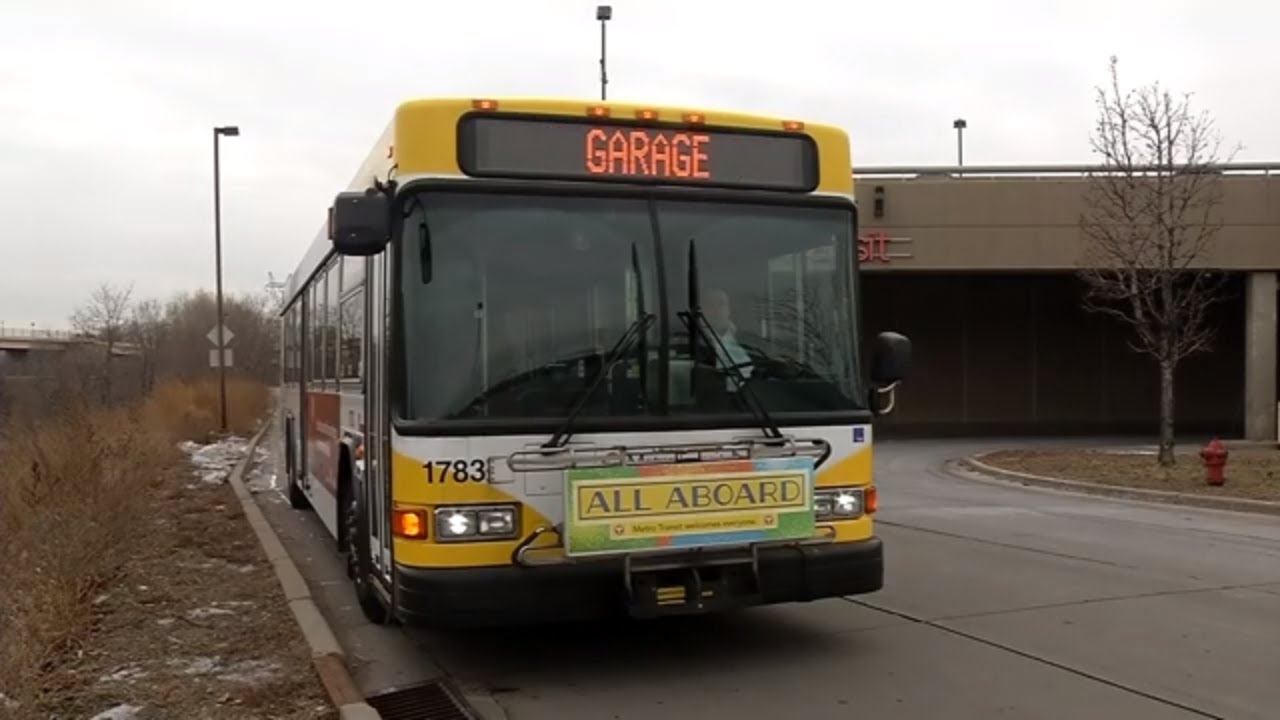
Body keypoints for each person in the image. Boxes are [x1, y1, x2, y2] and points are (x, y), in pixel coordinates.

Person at [702, 289, 753, 390]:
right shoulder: (695, 340)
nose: (717, 309)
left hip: (753, 398)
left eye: (721, 304)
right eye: (711, 305)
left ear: (729, 309)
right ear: (702, 309)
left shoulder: (747, 338)